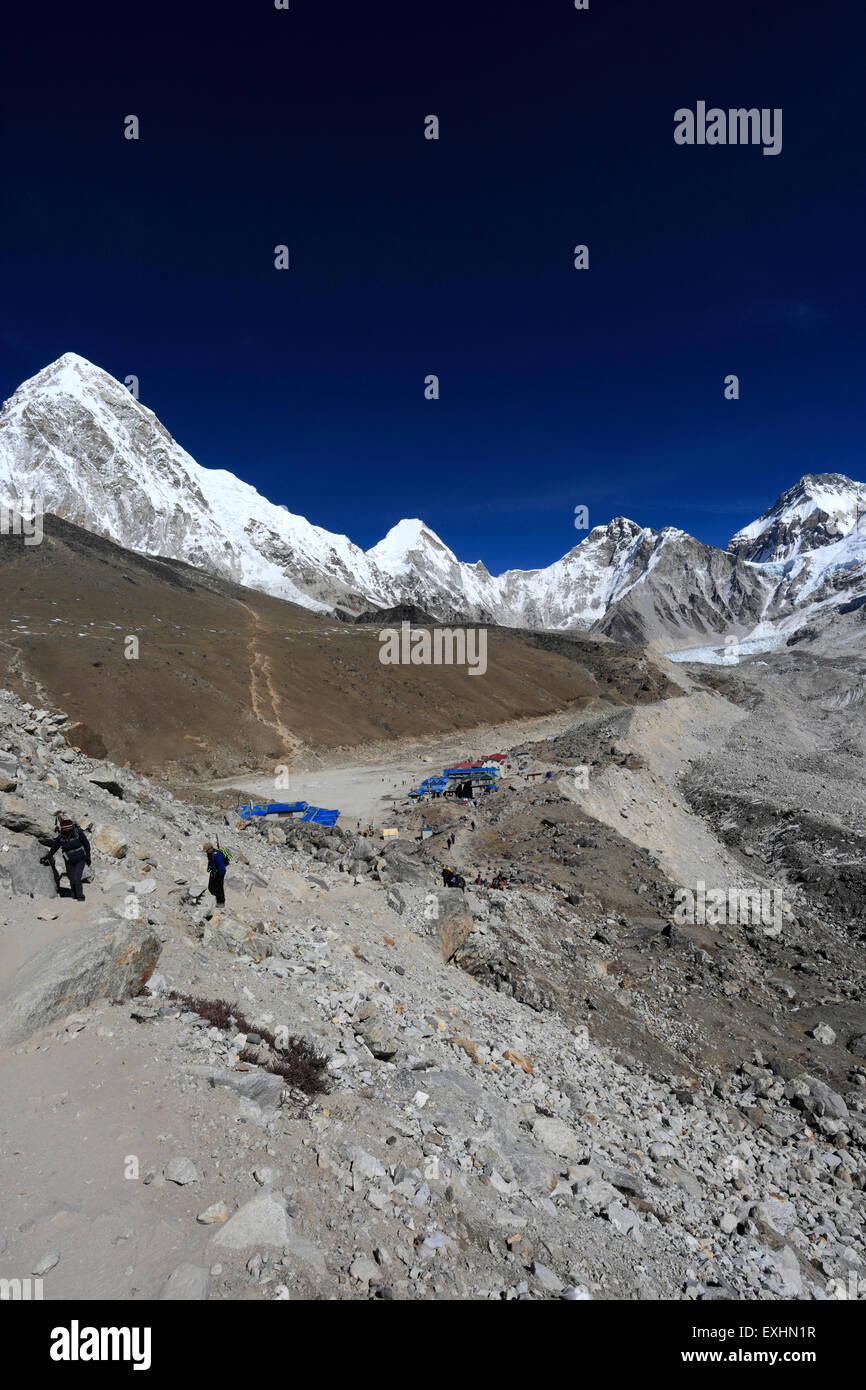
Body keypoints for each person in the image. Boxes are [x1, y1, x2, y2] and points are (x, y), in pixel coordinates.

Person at [41, 815, 91, 901]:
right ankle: (74, 894)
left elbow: (87, 845)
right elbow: (54, 848)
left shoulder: (78, 833)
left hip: (80, 859)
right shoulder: (60, 838)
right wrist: (47, 857)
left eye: (68, 828)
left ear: (71, 827)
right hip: (69, 861)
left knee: (77, 878)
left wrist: (88, 856)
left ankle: (80, 896)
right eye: (64, 829)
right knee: (71, 879)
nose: (66, 830)